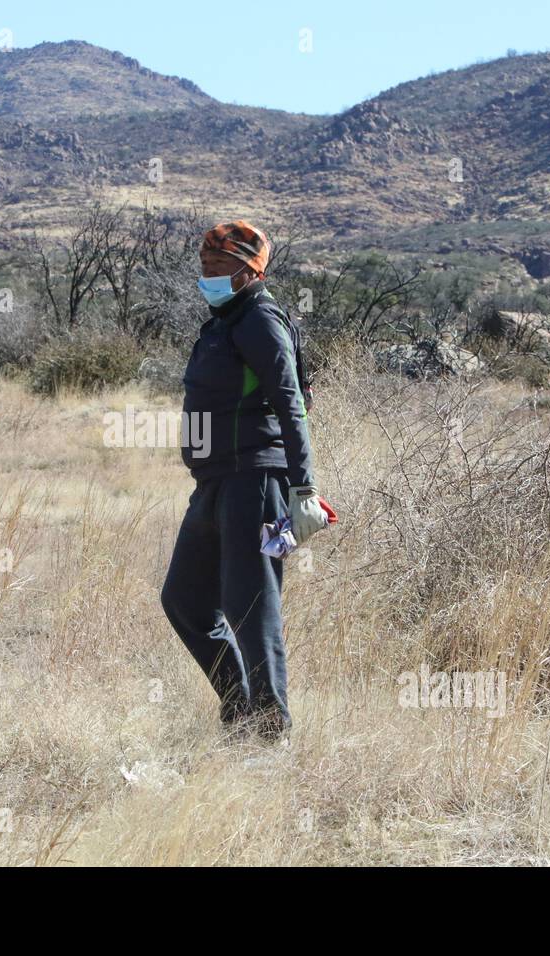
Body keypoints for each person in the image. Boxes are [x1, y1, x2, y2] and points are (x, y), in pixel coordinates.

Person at [160, 220, 329, 741]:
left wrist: (304, 489)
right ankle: (242, 709)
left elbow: (291, 405)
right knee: (185, 600)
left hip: (255, 483)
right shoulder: (221, 322)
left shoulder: (260, 319)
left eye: (218, 266)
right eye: (204, 265)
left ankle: (271, 732)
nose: (207, 274)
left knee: (252, 608)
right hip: (213, 484)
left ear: (248, 270)